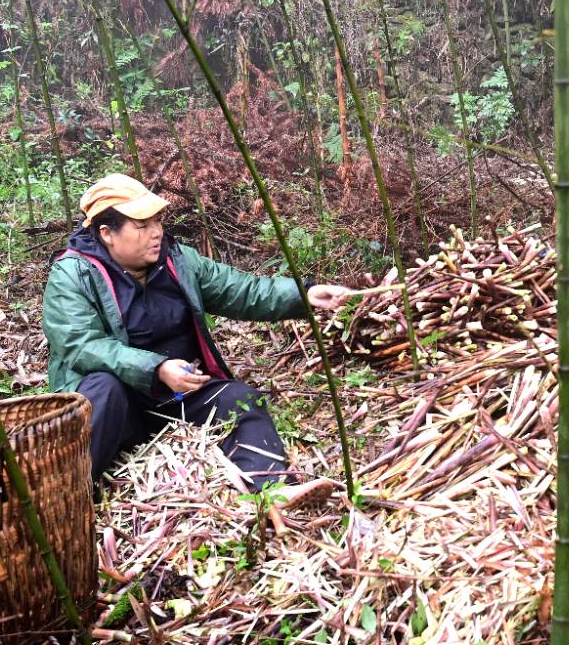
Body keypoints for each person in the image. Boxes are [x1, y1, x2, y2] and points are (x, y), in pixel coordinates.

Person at [43, 173, 350, 508]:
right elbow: (79, 344)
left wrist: (303, 295)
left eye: (157, 221)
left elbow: (240, 290)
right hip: (122, 405)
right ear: (107, 233)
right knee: (103, 388)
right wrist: (155, 368)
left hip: (178, 394)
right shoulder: (73, 273)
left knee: (240, 400)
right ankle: (62, 502)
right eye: (141, 225)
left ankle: (271, 489)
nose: (156, 232)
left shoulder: (178, 261)